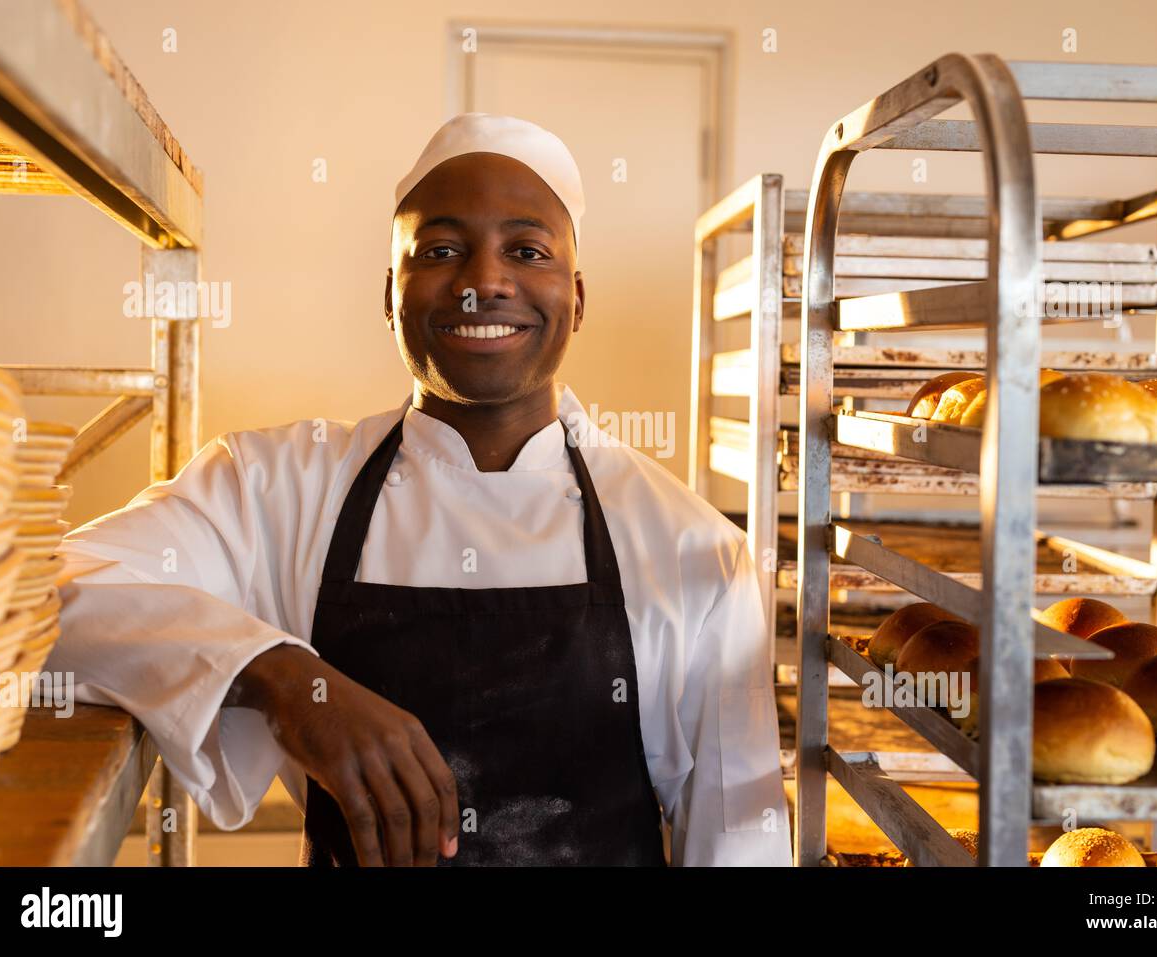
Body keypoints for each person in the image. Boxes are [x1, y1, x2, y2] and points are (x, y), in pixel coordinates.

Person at [52, 113, 792, 866]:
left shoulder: (694, 550)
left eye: (525, 250)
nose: (483, 282)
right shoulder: (276, 488)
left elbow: (742, 845)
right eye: (441, 250)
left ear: (576, 297)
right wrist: (280, 676)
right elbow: (47, 593)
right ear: (389, 295)